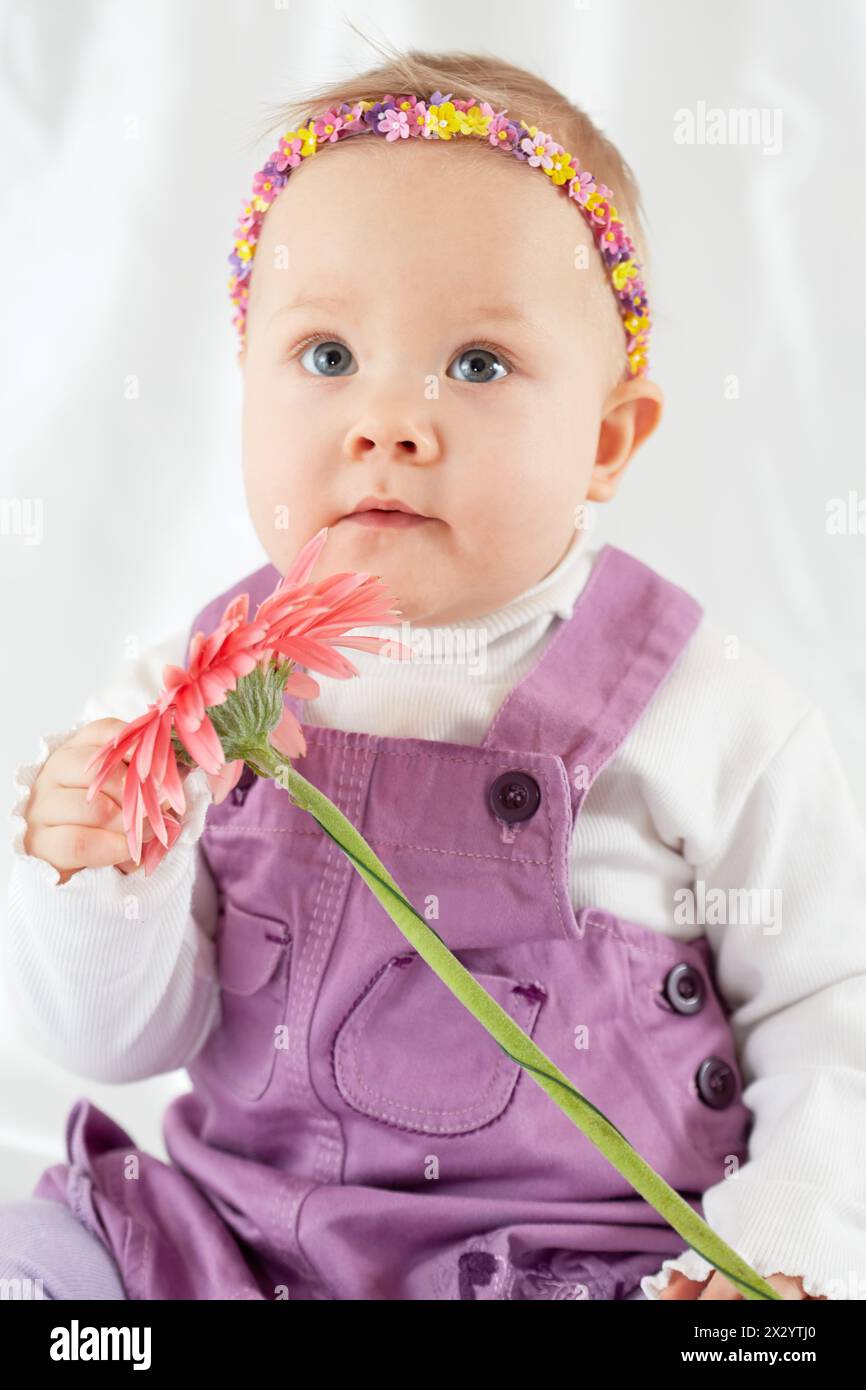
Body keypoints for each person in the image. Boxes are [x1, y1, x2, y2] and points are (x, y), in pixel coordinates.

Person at [3, 42, 864, 1301]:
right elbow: (119, 1042)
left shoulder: (708, 714)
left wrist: (778, 1254)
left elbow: (830, 1014)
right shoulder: (188, 691)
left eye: (475, 365)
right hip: (238, 1245)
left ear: (608, 438)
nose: (387, 421)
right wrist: (100, 879)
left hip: (587, 1266)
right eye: (326, 356)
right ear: (238, 386)